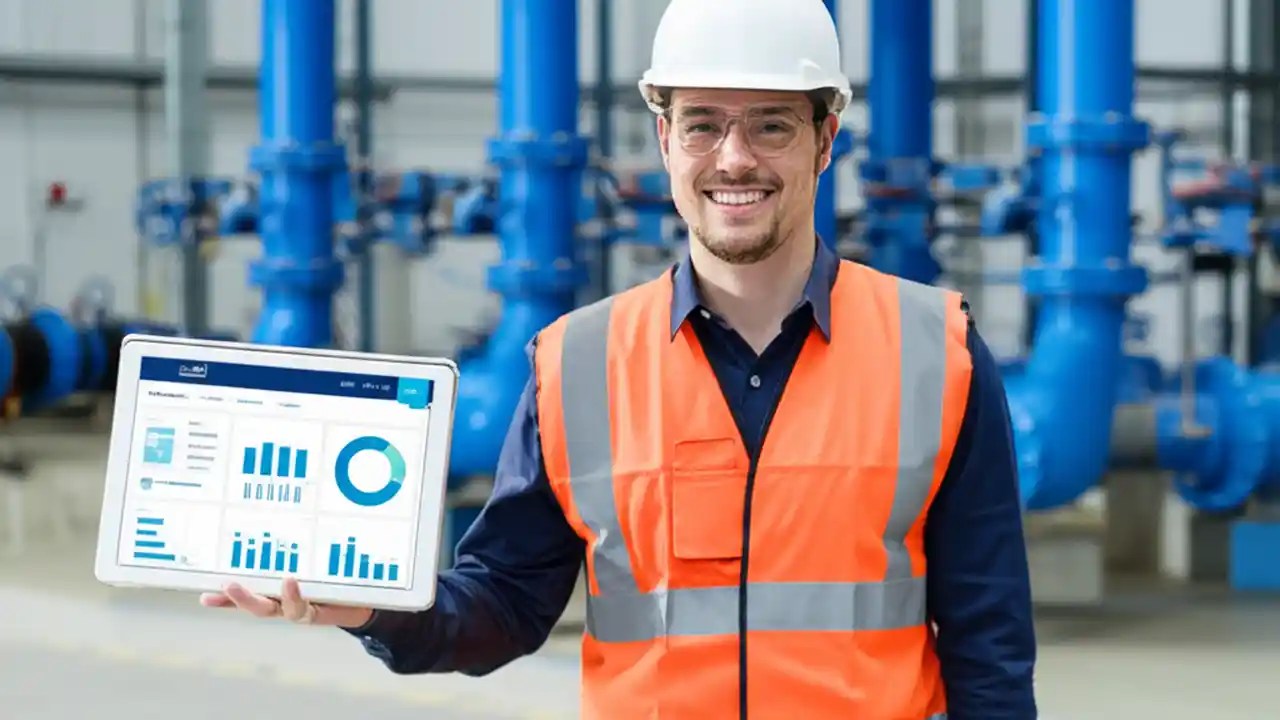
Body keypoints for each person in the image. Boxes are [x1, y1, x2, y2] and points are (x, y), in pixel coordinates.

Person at [200, 0, 1039, 717]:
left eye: (771, 125)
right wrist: (372, 608)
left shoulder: (936, 352)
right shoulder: (577, 364)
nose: (734, 158)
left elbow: (989, 644)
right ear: (665, 139)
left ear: (825, 141)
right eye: (703, 124)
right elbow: (503, 604)